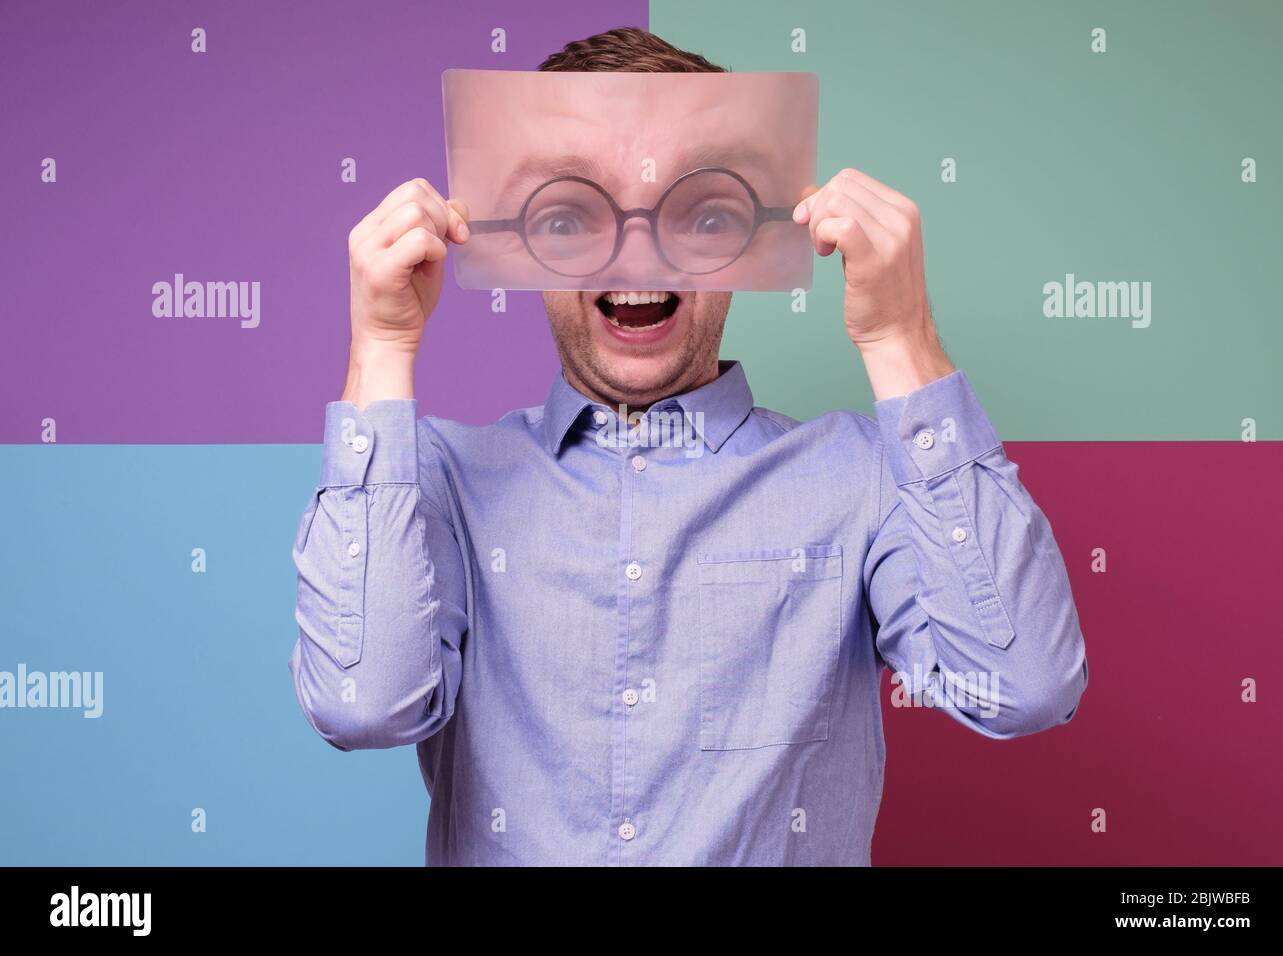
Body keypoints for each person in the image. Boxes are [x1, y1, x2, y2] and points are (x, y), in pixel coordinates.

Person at [289, 26, 1088, 866]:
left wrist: (901, 335)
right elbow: (365, 705)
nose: (638, 249)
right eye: (572, 214)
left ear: (745, 239)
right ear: (524, 242)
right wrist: (380, 346)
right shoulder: (443, 482)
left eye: (696, 213)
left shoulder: (864, 478)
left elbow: (1023, 688)